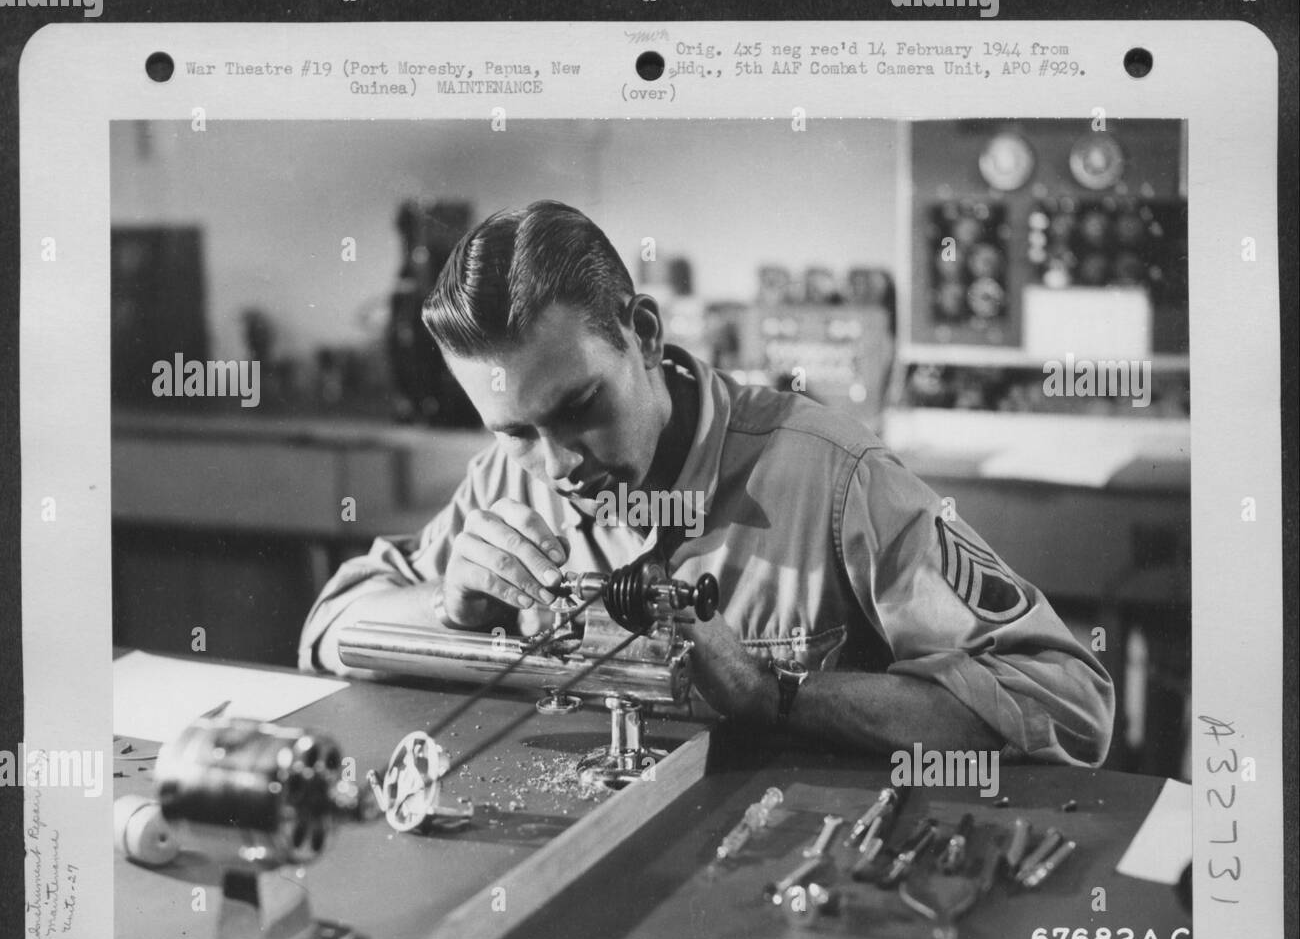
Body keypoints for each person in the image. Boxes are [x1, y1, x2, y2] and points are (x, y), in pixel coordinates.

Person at [299, 200, 1113, 767]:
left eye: (580, 407)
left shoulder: (833, 477)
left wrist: (774, 695)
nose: (559, 468)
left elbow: (1066, 702)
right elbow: (329, 625)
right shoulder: (512, 477)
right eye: (516, 431)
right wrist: (448, 609)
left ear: (643, 334)